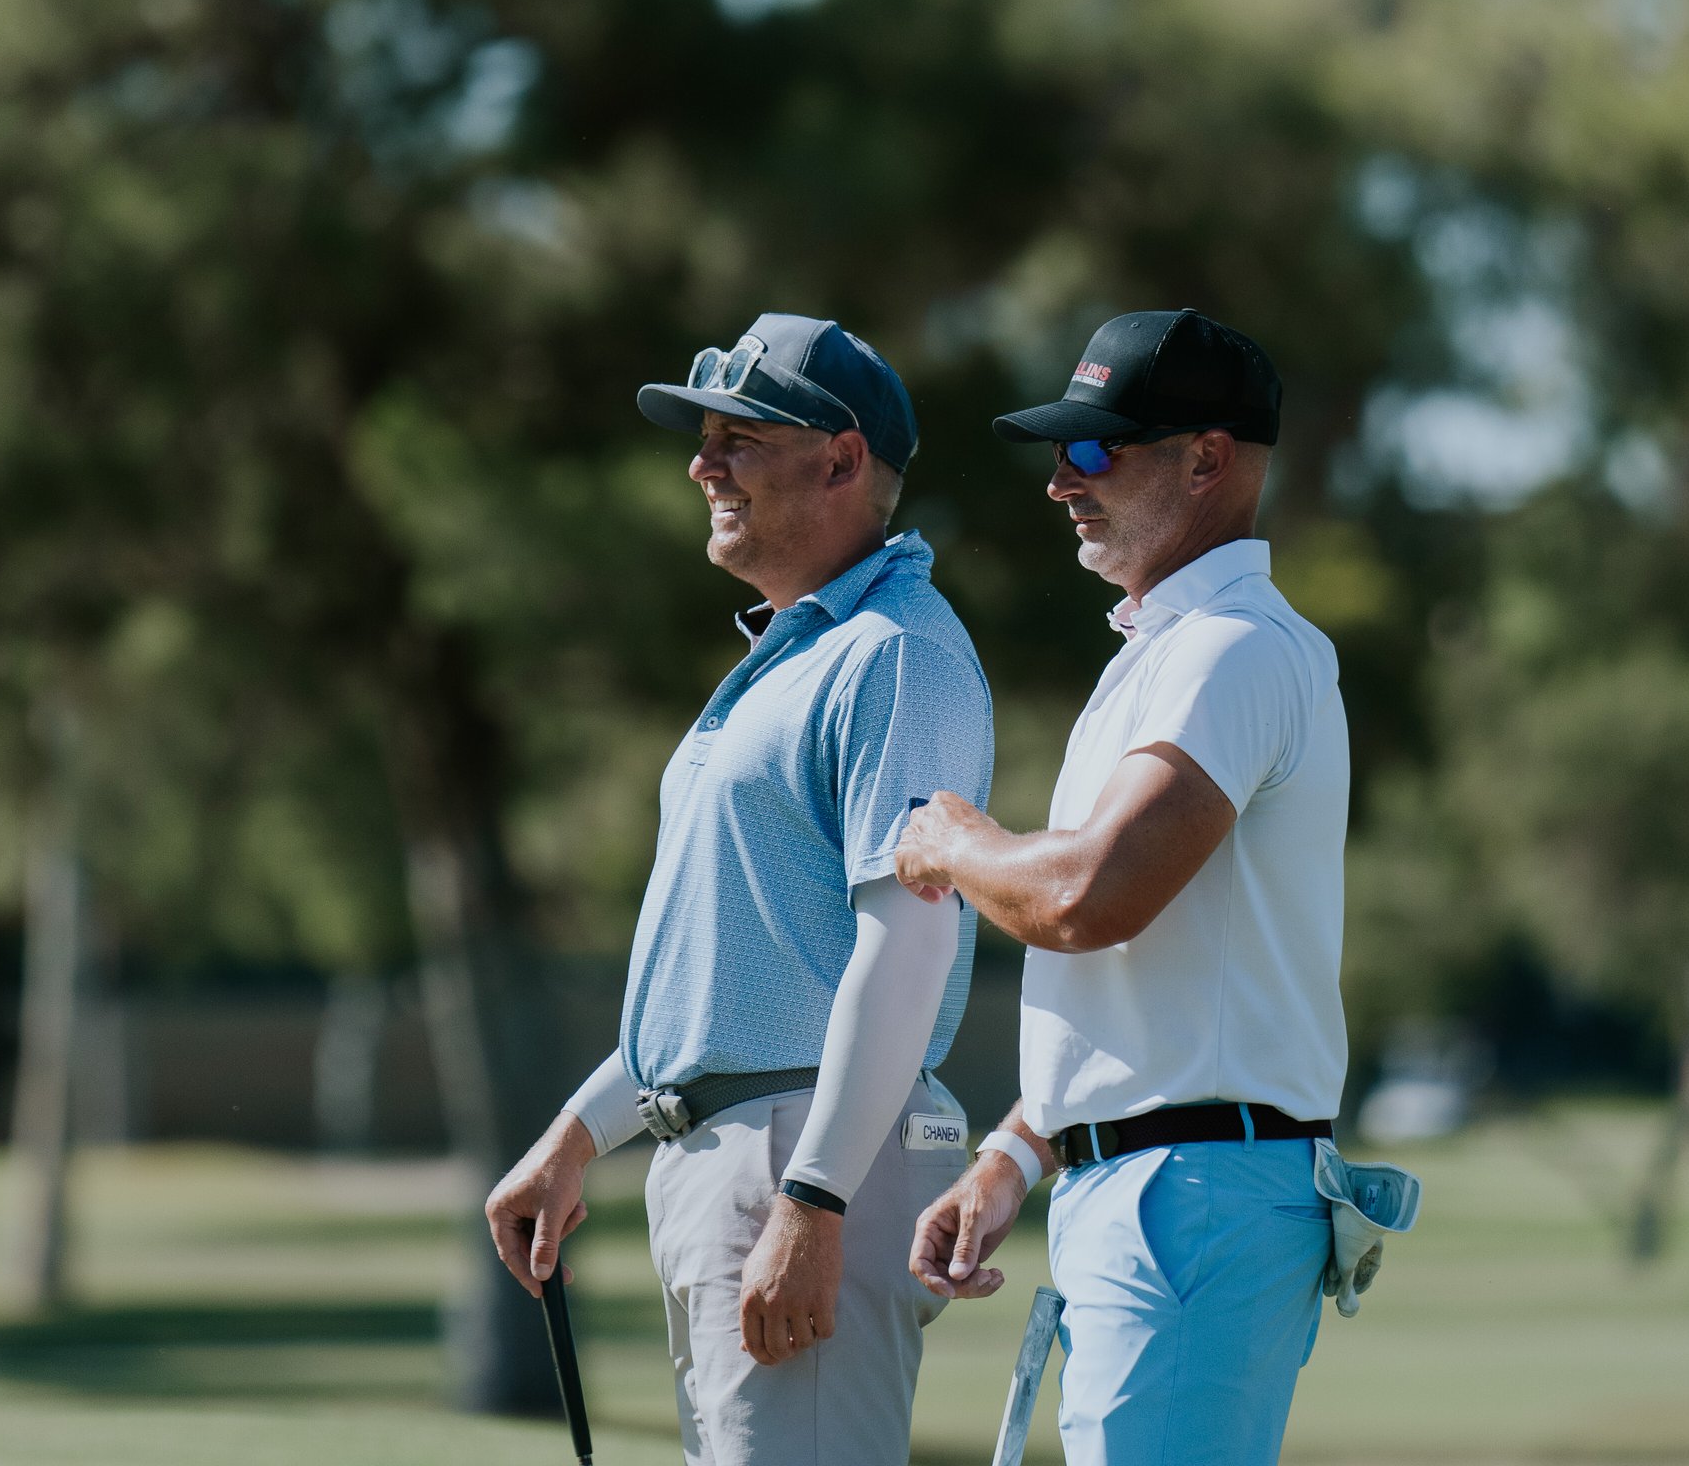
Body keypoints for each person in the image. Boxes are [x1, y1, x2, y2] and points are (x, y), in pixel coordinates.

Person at [483, 313, 993, 1466]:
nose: (702, 466)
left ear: (842, 460)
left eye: (739, 438)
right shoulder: (794, 656)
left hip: (805, 1163)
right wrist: (578, 1138)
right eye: (704, 439)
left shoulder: (893, 653)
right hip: (738, 1157)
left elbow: (903, 949)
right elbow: (731, 984)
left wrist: (817, 1199)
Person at [894, 308, 1353, 1466]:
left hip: (1191, 1192)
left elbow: (1090, 899)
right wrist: (1014, 1155)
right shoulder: (1169, 653)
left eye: (1095, 449)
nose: (1061, 483)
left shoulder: (1234, 648)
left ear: (1206, 460)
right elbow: (1150, 984)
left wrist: (954, 842)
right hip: (1156, 1182)